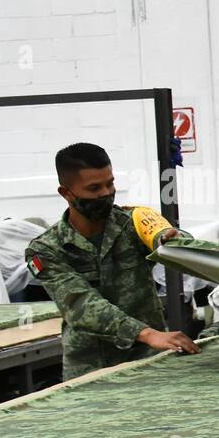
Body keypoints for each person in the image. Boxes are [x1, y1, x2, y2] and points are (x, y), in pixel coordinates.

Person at [25, 142, 199, 381]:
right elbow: (80, 305)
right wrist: (147, 334)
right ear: (66, 193)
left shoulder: (133, 225)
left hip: (149, 361)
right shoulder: (46, 249)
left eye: (110, 184)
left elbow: (189, 251)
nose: (106, 194)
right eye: (94, 188)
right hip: (89, 369)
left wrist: (174, 240)